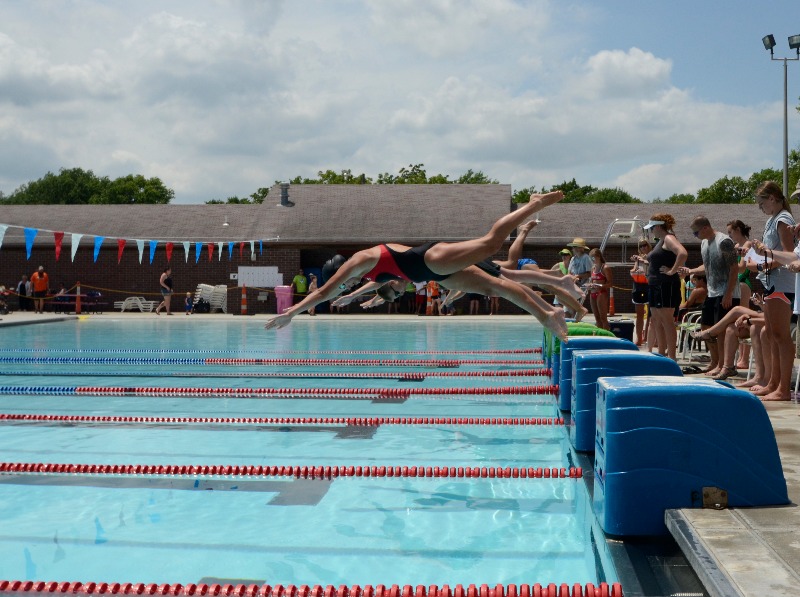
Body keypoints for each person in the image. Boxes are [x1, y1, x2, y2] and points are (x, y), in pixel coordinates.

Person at [265, 190, 569, 340]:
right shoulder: (367, 272)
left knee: (491, 245)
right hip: (435, 274)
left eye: (344, 283)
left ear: (340, 271)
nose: (347, 285)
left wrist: (291, 312)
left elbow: (324, 293)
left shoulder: (358, 260)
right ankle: (547, 313)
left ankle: (532, 204)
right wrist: (352, 296)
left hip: (430, 260)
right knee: (498, 287)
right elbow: (378, 283)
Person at [746, 181, 795, 401]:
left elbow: (788, 254)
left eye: (761, 202)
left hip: (782, 284)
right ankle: (774, 383)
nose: (761, 207)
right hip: (772, 283)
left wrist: (764, 262)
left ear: (773, 198)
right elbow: (771, 253)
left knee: (781, 336)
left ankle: (783, 388)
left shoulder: (783, 219)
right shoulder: (772, 220)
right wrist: (759, 253)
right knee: (772, 335)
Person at [678, 216, 740, 378]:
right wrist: (690, 271)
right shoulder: (704, 243)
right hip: (712, 293)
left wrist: (728, 294)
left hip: (727, 293)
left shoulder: (724, 242)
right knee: (706, 328)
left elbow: (734, 268)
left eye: (696, 233)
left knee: (721, 331)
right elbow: (706, 266)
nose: (695, 236)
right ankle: (715, 361)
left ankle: (724, 365)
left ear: (705, 228)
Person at [637, 214, 687, 360]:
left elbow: (682, 253)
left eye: (652, 228)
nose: (651, 231)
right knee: (657, 320)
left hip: (665, 285)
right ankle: (661, 355)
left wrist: (672, 271)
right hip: (655, 285)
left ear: (658, 226)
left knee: (667, 321)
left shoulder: (669, 238)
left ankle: (671, 357)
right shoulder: (660, 241)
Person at [726, 219, 754, 369]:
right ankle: (740, 355)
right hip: (735, 283)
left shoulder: (747, 245)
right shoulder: (736, 246)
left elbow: (742, 268)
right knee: (737, 320)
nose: (729, 235)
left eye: (730, 232)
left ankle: (745, 357)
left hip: (743, 283)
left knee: (744, 318)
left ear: (737, 230)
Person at [629, 240, 651, 345]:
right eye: (641, 246)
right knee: (639, 314)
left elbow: (652, 270)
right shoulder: (637, 259)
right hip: (638, 287)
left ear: (649, 246)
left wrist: (643, 267)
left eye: (645, 245)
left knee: (651, 314)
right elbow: (633, 270)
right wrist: (633, 272)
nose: (643, 247)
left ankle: (647, 336)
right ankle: (639, 338)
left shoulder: (651, 257)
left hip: (648, 286)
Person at [587, 248, 612, 330]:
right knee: (597, 318)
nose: (592, 260)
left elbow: (610, 283)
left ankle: (607, 336)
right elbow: (592, 280)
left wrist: (601, 286)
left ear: (598, 257)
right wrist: (590, 285)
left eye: (593, 258)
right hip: (593, 293)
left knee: (603, 318)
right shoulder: (593, 268)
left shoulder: (605, 268)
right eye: (591, 258)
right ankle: (599, 336)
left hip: (601, 293)